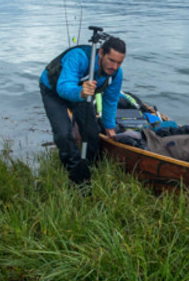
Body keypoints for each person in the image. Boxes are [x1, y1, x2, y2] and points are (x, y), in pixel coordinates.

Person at [39, 35, 126, 186]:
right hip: (53, 90)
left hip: (81, 94)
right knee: (63, 133)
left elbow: (110, 101)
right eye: (111, 60)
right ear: (101, 53)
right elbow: (63, 87)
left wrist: (109, 127)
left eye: (119, 62)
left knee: (92, 132)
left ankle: (91, 167)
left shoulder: (116, 74)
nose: (115, 67)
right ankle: (75, 174)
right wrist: (81, 93)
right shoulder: (78, 57)